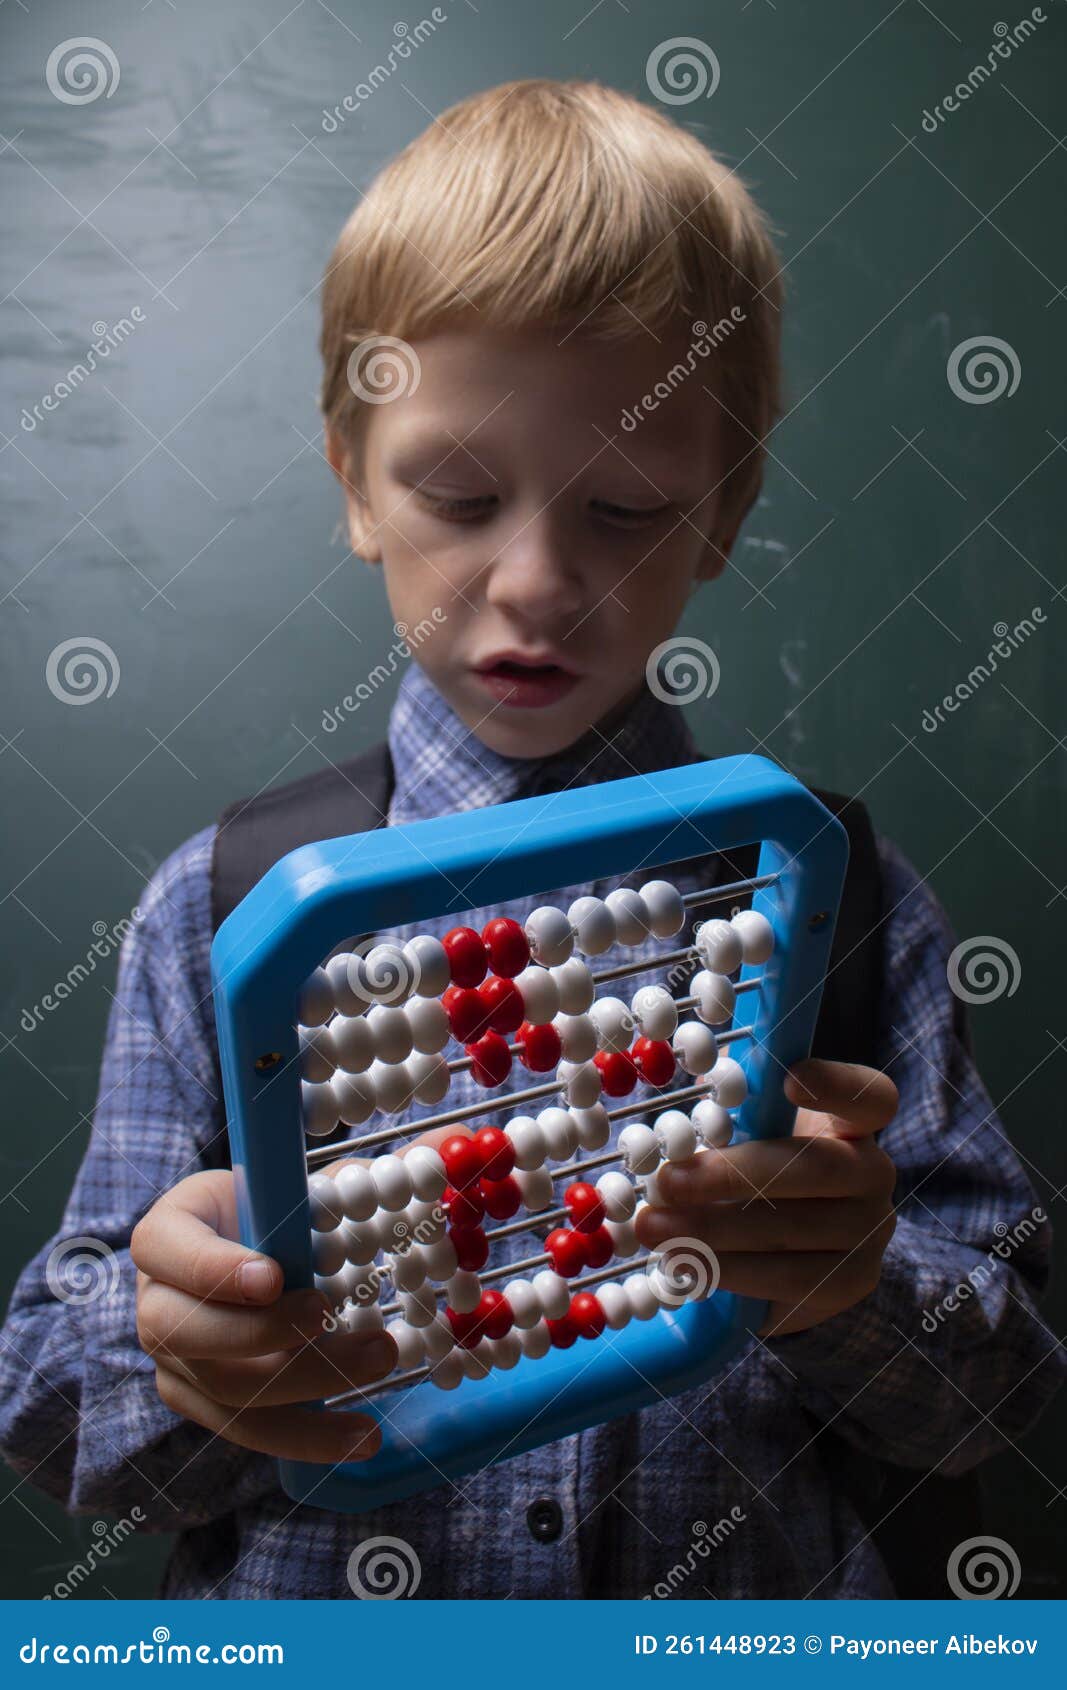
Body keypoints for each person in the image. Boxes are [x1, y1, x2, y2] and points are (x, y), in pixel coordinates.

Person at [0, 79, 1060, 1600]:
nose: (537, 581)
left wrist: (854, 1287)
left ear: (725, 510)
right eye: (458, 493)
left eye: (625, 510)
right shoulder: (219, 907)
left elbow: (1000, 1395)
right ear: (355, 486)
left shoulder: (839, 903)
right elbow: (50, 1404)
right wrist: (171, 1353)